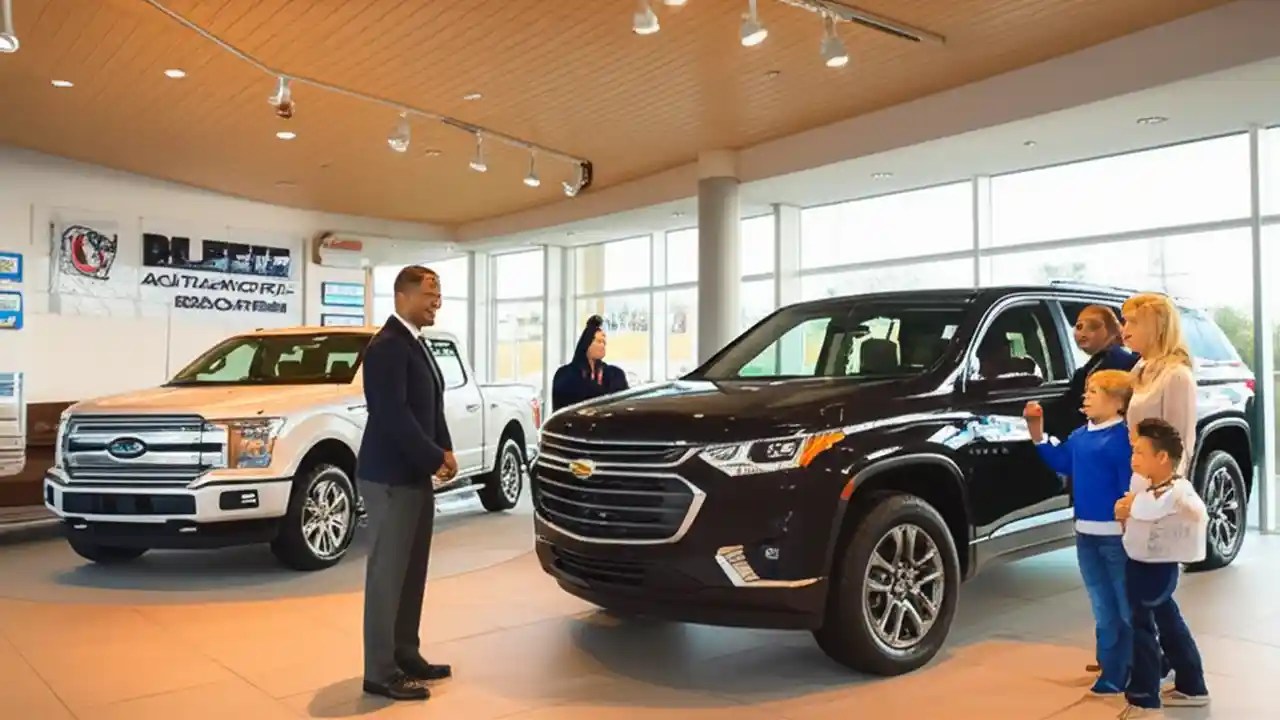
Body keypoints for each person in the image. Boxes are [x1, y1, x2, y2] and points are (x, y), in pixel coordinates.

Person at [357, 265, 455, 701]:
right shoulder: (386, 347)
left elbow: (431, 403)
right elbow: (393, 415)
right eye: (429, 292)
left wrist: (444, 449)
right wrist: (434, 456)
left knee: (412, 572)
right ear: (402, 296)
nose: (437, 301)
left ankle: (405, 653)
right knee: (387, 575)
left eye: (439, 293)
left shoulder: (417, 344)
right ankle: (379, 672)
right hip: (389, 477)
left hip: (414, 475)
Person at [1024, 369, 1134, 696]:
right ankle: (1112, 667)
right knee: (1102, 605)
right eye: (1087, 391)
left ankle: (1133, 666)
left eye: (1095, 392)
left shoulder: (1122, 440)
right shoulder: (1080, 436)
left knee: (1125, 606)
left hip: (1117, 537)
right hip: (1085, 535)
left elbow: (1128, 485)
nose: (1085, 396)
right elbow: (1062, 462)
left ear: (1118, 404)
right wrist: (1037, 433)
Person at [1115, 418, 1211, 714]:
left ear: (1162, 457)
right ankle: (1191, 683)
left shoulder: (1176, 491)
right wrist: (1127, 510)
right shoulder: (1148, 488)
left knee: (1142, 628)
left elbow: (1192, 511)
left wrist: (1131, 507)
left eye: (1140, 452)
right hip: (1142, 564)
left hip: (1154, 569)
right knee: (1169, 623)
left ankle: (1144, 695)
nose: (1134, 458)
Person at [1121, 293, 1196, 477]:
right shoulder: (1138, 369)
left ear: (1155, 327)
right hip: (1139, 476)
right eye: (1125, 321)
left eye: (1133, 322)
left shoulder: (1176, 376)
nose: (1125, 329)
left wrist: (1163, 492)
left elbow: (1180, 445)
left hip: (1160, 486)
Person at [1044, 305, 1138, 439]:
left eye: (1093, 327)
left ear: (1111, 330)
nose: (1083, 333)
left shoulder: (1120, 363)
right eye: (1079, 327)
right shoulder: (1095, 363)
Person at [551, 314, 629, 412]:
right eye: (599, 341)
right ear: (586, 344)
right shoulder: (565, 374)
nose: (603, 346)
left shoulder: (615, 374)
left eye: (604, 343)